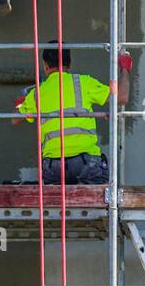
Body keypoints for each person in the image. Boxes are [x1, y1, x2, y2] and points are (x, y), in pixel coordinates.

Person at [15, 42, 131, 185]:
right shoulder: (83, 82)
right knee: (103, 197)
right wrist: (124, 69)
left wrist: (22, 102)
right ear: (70, 64)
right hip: (85, 163)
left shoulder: (36, 93)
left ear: (45, 65)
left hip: (53, 167)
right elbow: (122, 97)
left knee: (55, 203)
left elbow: (15, 120)